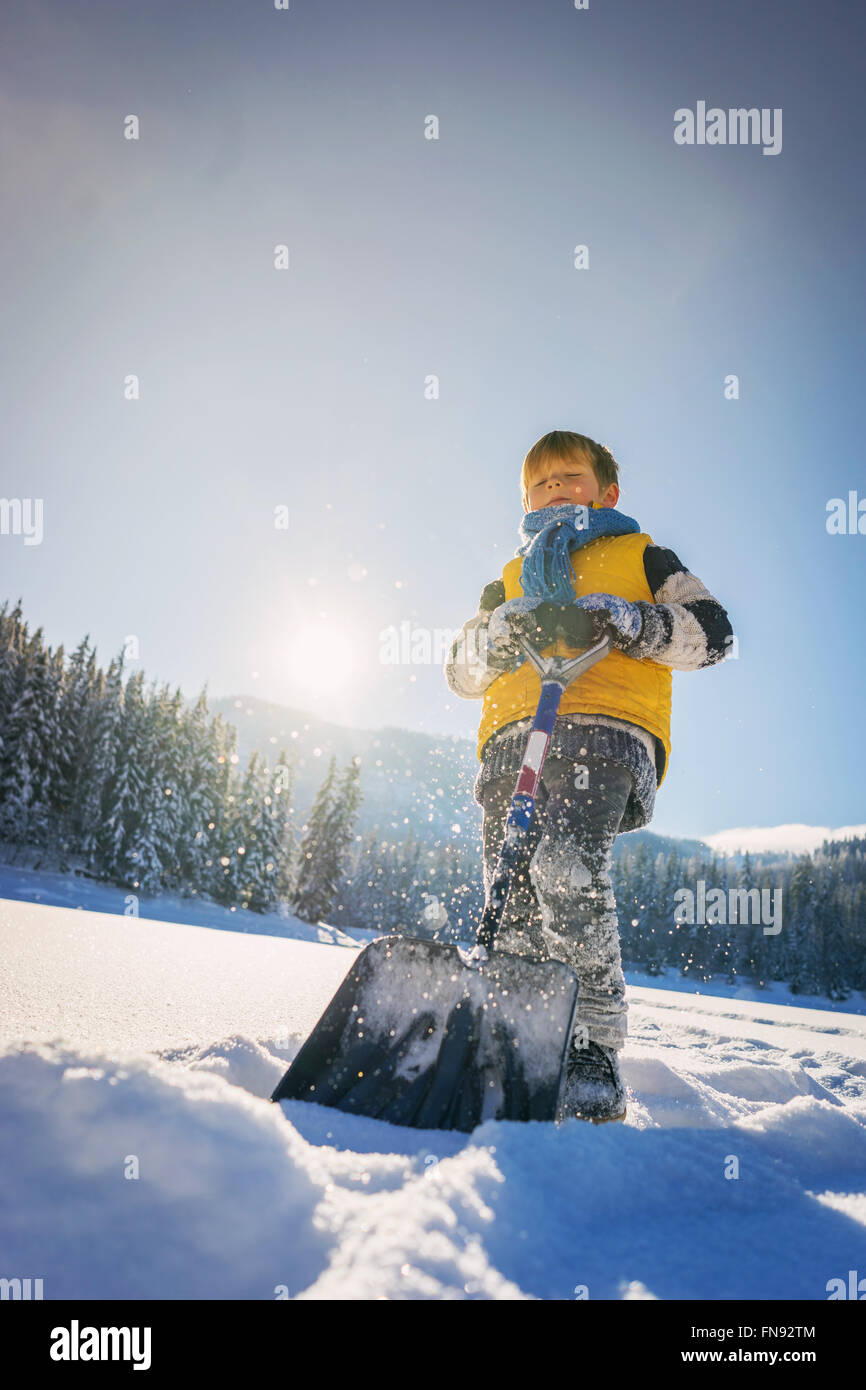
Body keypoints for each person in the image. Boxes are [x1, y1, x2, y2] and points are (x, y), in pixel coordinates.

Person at [444, 430, 733, 1123]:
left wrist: (632, 621)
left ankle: (592, 1043)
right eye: (538, 484)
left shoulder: (641, 554)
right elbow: (460, 671)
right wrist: (497, 636)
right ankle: (519, 1034)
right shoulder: (507, 579)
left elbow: (713, 634)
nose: (551, 491)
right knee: (509, 888)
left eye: (566, 477)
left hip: (607, 728)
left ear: (607, 492)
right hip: (512, 741)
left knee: (565, 865)